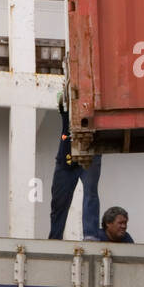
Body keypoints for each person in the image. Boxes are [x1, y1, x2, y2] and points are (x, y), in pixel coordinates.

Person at [50, 97, 102, 240]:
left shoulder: (94, 102)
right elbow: (62, 103)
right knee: (59, 201)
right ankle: (55, 237)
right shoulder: (68, 100)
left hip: (90, 152)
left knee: (90, 193)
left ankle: (90, 234)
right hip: (66, 155)